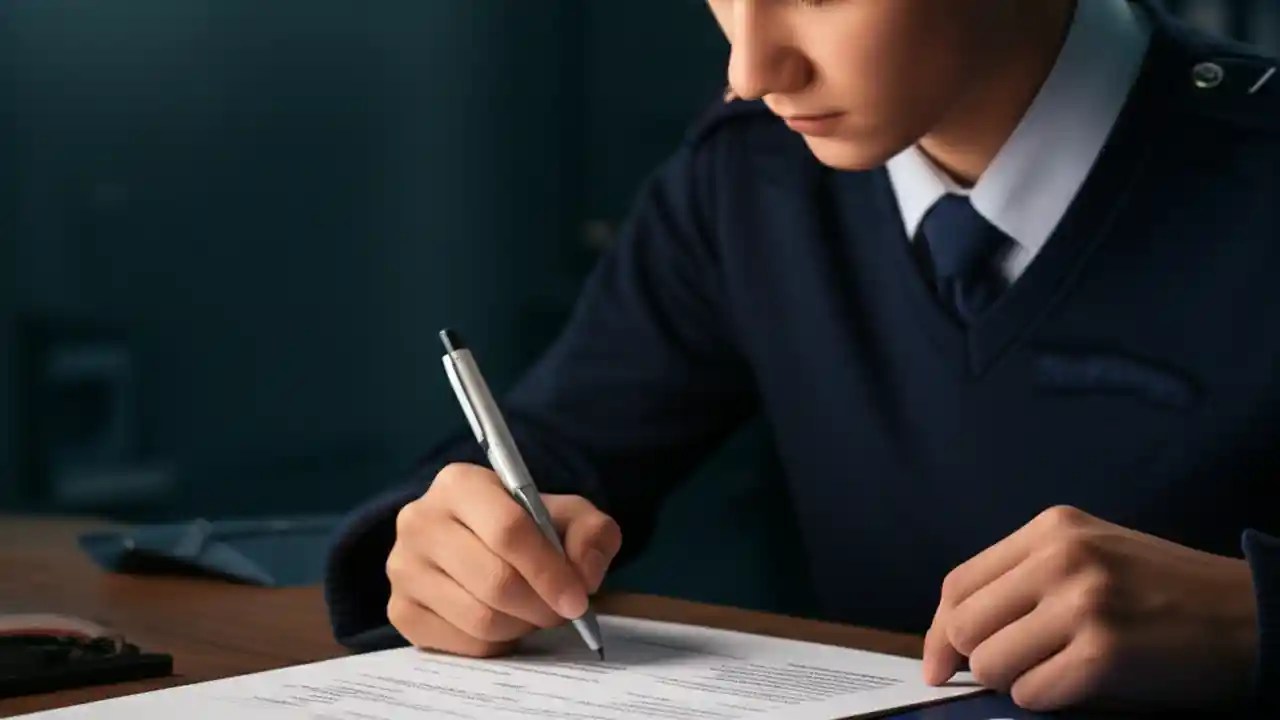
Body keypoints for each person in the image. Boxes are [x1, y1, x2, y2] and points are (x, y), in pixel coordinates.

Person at [324, 0, 1280, 712]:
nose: (749, 65)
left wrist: (1253, 616)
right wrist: (449, 551)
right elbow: (548, 450)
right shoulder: (751, 179)